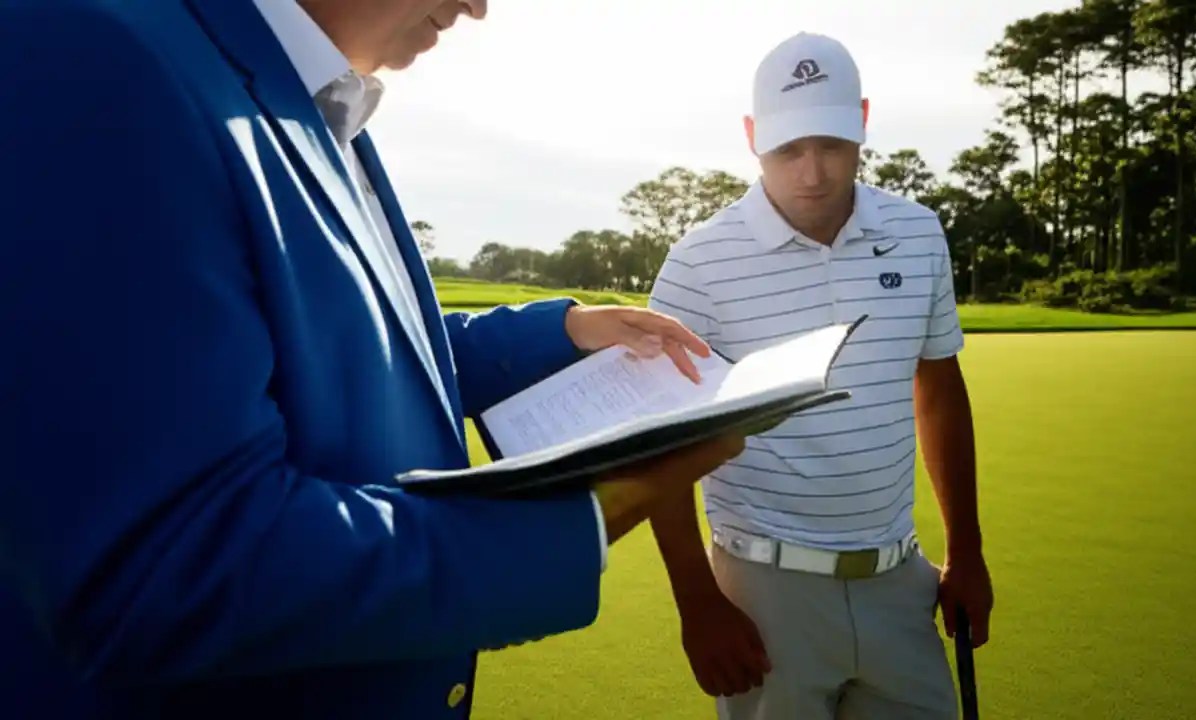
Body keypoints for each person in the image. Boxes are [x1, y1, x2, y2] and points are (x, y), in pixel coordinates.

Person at [0, 1, 745, 718]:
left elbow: (344, 344)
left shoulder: (317, 100)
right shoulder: (94, 48)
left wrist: (566, 331)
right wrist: (589, 517)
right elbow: (168, 567)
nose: (479, 6)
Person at [646, 32, 995, 719]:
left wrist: (968, 551)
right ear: (751, 136)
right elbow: (660, 441)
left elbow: (939, 387)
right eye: (787, 149)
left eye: (831, 145)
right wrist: (697, 601)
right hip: (764, 591)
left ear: (861, 123)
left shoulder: (919, 232)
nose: (811, 172)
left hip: (900, 579)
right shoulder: (698, 262)